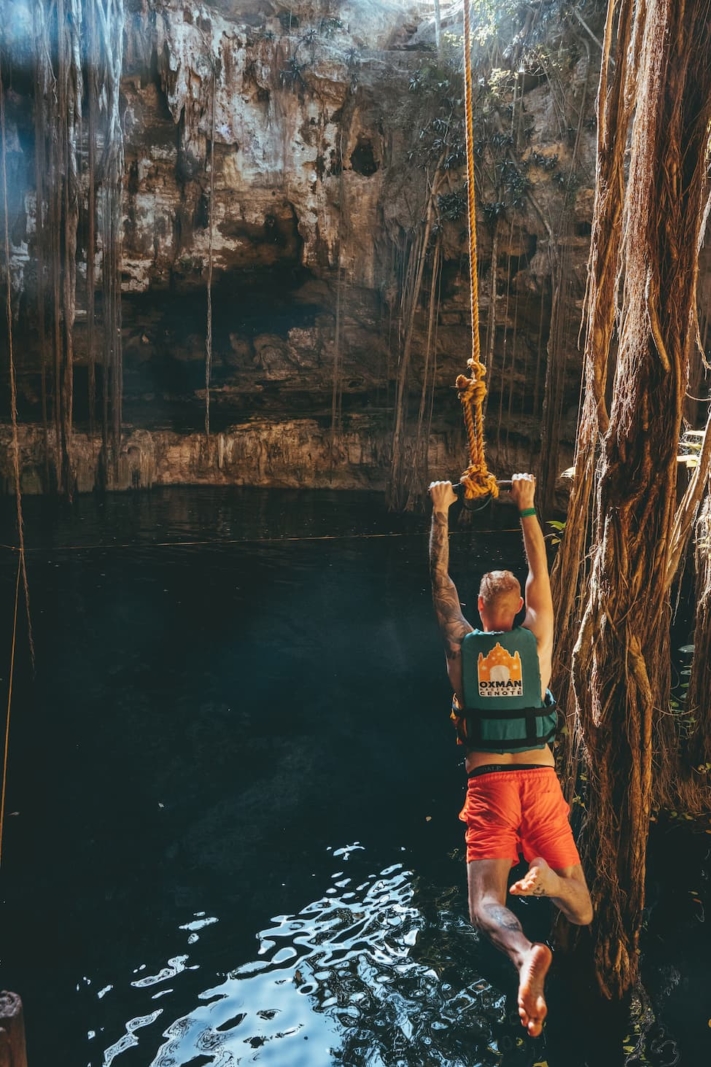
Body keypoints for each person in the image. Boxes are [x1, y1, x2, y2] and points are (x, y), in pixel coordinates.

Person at [428, 473, 593, 1038]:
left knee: (484, 906)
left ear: (478, 607)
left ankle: (523, 952)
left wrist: (441, 511)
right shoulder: (539, 641)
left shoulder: (459, 647)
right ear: (519, 606)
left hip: (490, 786)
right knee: (584, 910)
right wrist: (525, 504)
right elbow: (541, 571)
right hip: (542, 781)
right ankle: (550, 882)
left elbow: (438, 582)